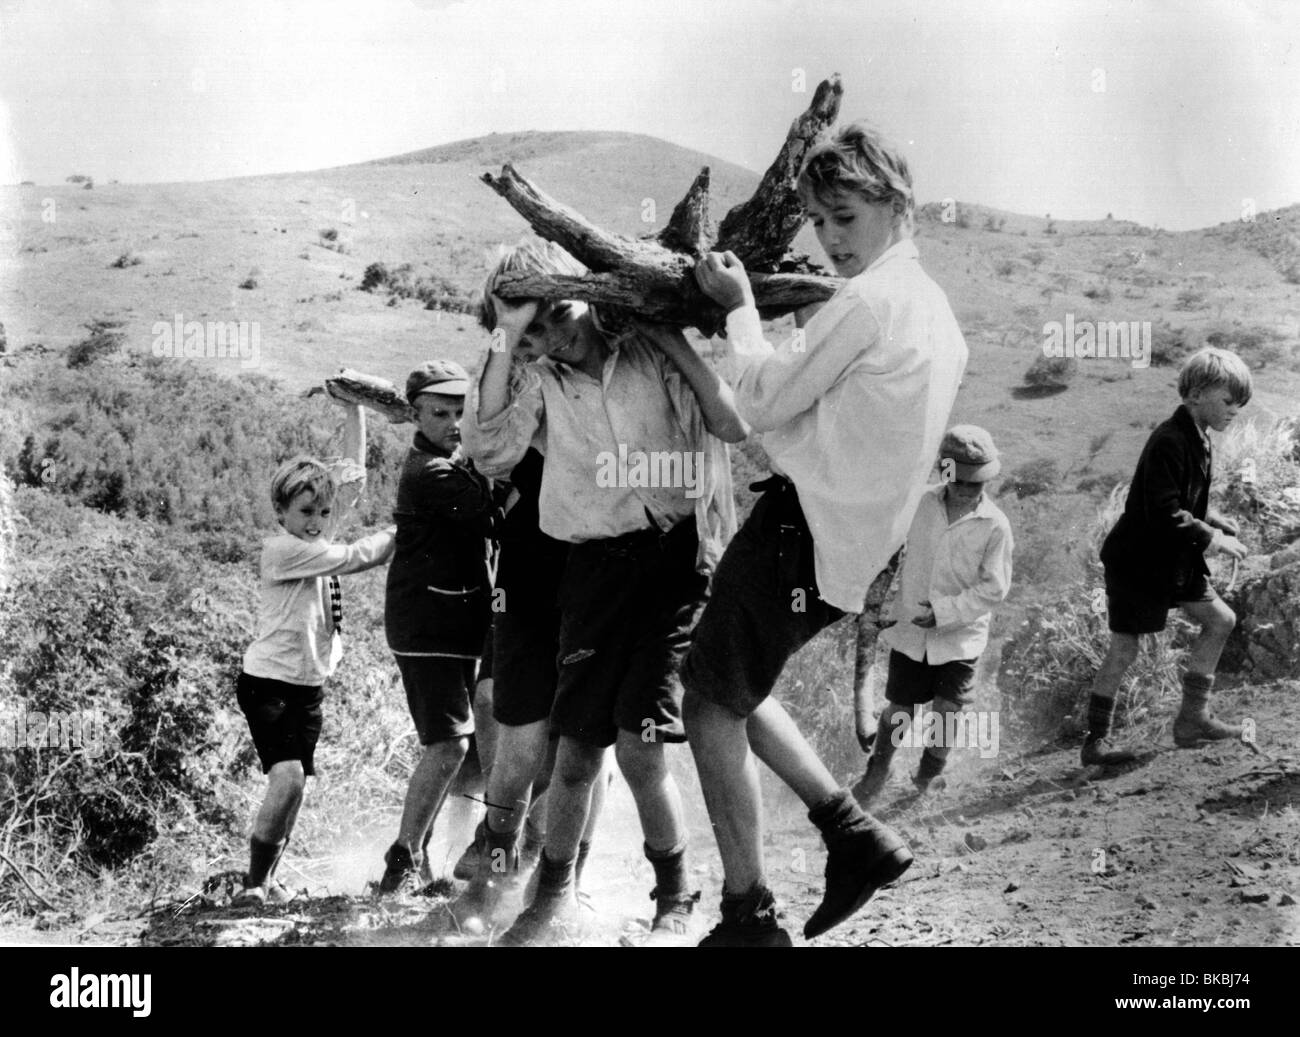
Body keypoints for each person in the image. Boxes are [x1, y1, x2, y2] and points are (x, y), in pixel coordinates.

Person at [681, 121, 968, 946]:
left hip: (802, 526)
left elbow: (766, 402)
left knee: (706, 703)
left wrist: (738, 312)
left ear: (896, 205)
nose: (830, 239)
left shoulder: (870, 302)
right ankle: (854, 833)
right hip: (848, 543)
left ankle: (750, 914)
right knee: (733, 684)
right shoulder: (934, 311)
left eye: (845, 217)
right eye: (820, 221)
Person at [461, 239, 744, 946]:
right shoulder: (541, 380)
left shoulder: (645, 350)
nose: (554, 333)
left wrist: (671, 338)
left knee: (643, 745)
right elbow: (487, 448)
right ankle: (549, 895)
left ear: (587, 291)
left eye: (558, 309)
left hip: (675, 563)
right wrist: (507, 333)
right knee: (577, 753)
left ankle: (674, 895)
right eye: (534, 326)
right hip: (592, 570)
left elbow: (731, 421)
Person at [234, 402, 395, 904]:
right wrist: (408, 525)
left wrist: (355, 409)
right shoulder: (284, 550)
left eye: (322, 513)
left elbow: (353, 480)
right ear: (281, 512)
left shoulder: (315, 535)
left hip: (308, 688)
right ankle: (254, 884)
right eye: (304, 512)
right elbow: (358, 556)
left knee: (297, 786)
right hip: (269, 683)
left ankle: (267, 880)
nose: (316, 521)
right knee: (285, 778)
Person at [449, 447, 610, 928]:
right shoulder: (526, 396)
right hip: (526, 575)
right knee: (505, 719)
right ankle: (491, 877)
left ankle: (563, 884)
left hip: (600, 570)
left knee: (580, 743)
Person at [1081, 347, 1251, 765]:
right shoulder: (1169, 440)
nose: (1234, 412)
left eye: (1239, 405)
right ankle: (1094, 743)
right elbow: (1162, 511)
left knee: (1221, 620)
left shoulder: (1198, 438)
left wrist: (1214, 518)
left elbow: (1182, 500)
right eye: (1228, 401)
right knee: (1125, 649)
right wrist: (1211, 537)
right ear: (1195, 394)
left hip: (1173, 557)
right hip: (1138, 561)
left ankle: (1193, 718)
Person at [378, 360, 497, 894]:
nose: (453, 422)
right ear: (416, 415)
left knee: (465, 752)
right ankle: (402, 860)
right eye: (440, 413)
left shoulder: (447, 459)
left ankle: (434, 858)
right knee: (449, 745)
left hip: (453, 624)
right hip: (430, 628)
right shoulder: (434, 473)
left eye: (461, 411)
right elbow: (496, 513)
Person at [853, 425, 1013, 804]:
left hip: (961, 634)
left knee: (948, 710)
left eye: (976, 483)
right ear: (944, 472)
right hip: (910, 628)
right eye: (959, 480)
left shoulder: (995, 525)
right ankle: (877, 771)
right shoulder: (920, 504)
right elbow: (885, 542)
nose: (966, 489)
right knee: (900, 709)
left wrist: (945, 613)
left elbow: (995, 588)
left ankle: (925, 779)